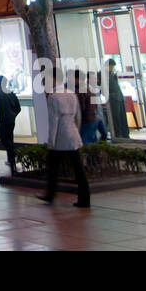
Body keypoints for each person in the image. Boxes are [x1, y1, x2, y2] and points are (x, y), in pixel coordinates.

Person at [38, 68, 90, 208]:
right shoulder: (71, 94)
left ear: (54, 79)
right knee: (78, 168)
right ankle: (85, 199)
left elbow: (53, 121)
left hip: (60, 137)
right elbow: (78, 116)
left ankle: (50, 194)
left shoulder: (53, 97)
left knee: (52, 165)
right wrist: (76, 131)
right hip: (73, 134)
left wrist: (51, 141)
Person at [105, 59, 130, 139]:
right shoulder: (103, 75)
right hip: (113, 98)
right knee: (116, 117)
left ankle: (125, 133)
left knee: (122, 117)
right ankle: (118, 134)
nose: (112, 68)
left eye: (112, 67)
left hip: (119, 97)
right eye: (111, 67)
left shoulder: (112, 74)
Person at [78, 72, 104, 145]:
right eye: (94, 78)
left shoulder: (96, 89)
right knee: (90, 138)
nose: (96, 80)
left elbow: (96, 104)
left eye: (96, 78)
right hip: (91, 118)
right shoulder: (87, 89)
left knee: (101, 135)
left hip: (96, 117)